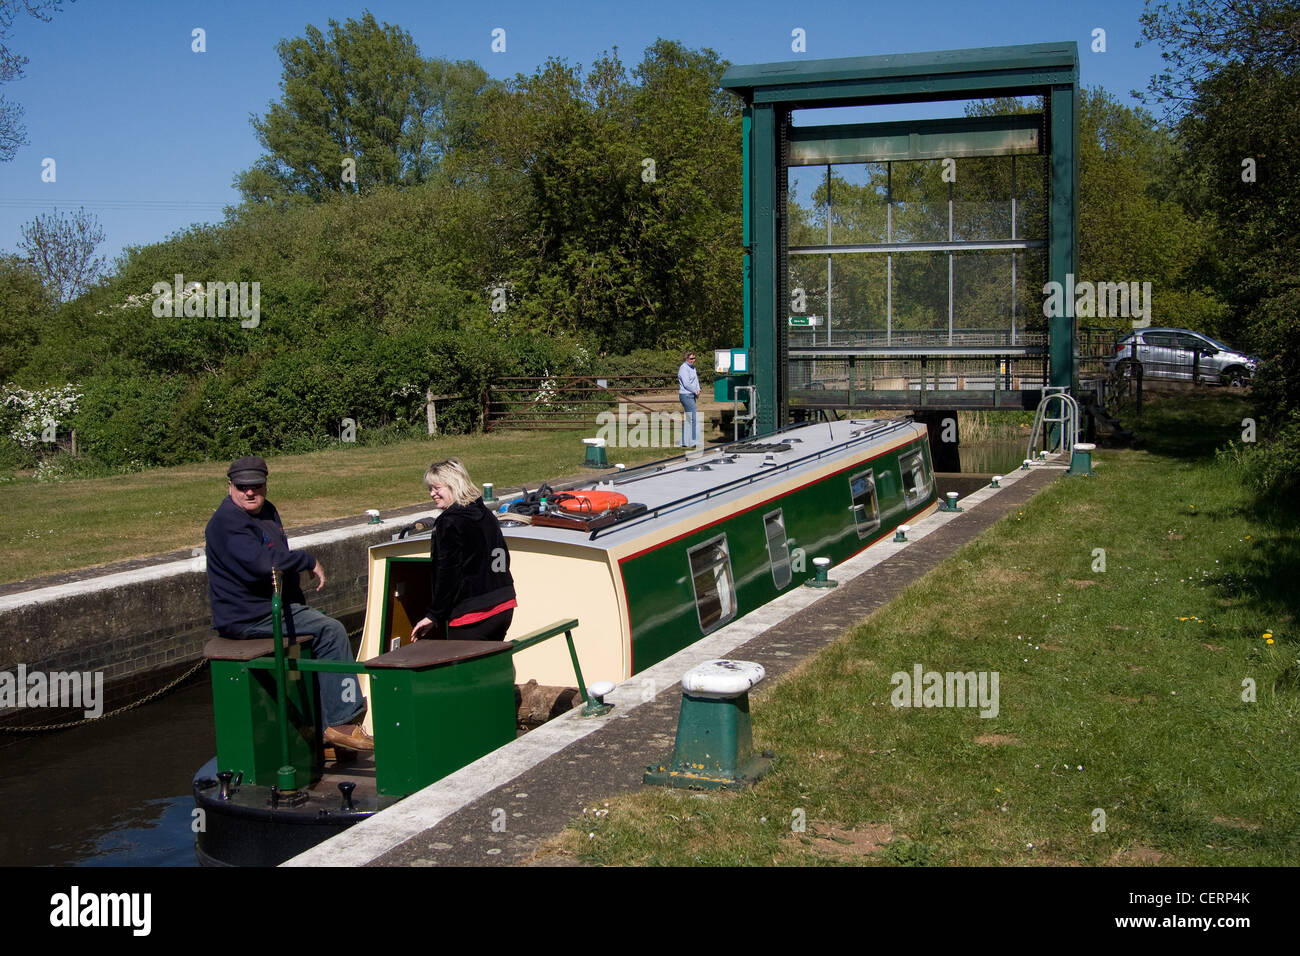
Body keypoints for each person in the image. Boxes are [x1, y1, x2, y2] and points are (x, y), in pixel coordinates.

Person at [204, 455, 373, 752]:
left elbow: (279, 555)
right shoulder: (227, 523)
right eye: (243, 486)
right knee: (332, 631)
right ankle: (343, 723)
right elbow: (264, 564)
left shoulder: (266, 511)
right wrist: (307, 559)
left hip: (272, 608)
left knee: (319, 627)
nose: (250, 492)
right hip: (247, 617)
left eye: (256, 485)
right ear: (230, 486)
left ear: (265, 484)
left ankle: (327, 734)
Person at [410, 459, 517, 642]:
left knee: (461, 669)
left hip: (473, 614)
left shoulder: (449, 522)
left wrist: (434, 615)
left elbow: (448, 572)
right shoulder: (486, 514)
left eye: (437, 488)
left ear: (453, 485)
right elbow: (502, 557)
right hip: (504, 605)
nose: (432, 494)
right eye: (430, 489)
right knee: (491, 664)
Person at [678, 349, 701, 448]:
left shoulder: (692, 368)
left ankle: (684, 442)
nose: (693, 360)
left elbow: (696, 380)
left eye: (694, 358)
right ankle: (693, 442)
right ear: (686, 358)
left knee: (689, 419)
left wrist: (698, 389)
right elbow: (686, 383)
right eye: (691, 358)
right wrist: (695, 390)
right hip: (686, 395)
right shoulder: (683, 368)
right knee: (693, 418)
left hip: (691, 395)